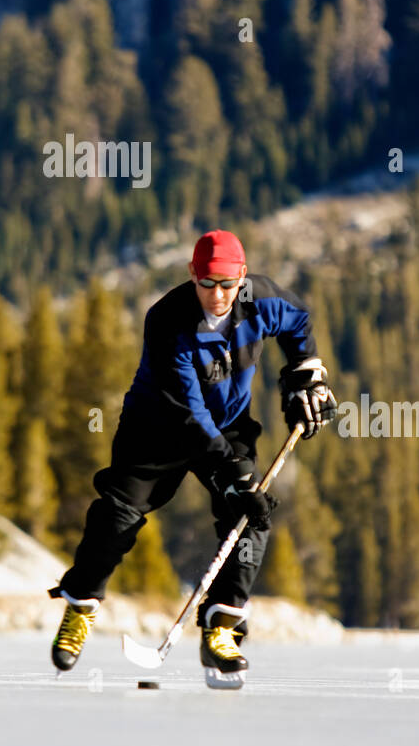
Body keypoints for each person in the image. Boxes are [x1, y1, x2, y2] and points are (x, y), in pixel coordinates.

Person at [49, 229, 336, 683]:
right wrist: (231, 475)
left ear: (242, 276)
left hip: (228, 424)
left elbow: (300, 323)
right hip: (158, 426)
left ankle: (221, 626)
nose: (217, 294)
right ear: (192, 276)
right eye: (207, 284)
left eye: (227, 284)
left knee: (250, 520)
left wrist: (305, 377)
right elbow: (189, 413)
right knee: (116, 518)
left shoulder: (264, 301)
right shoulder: (167, 319)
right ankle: (81, 604)